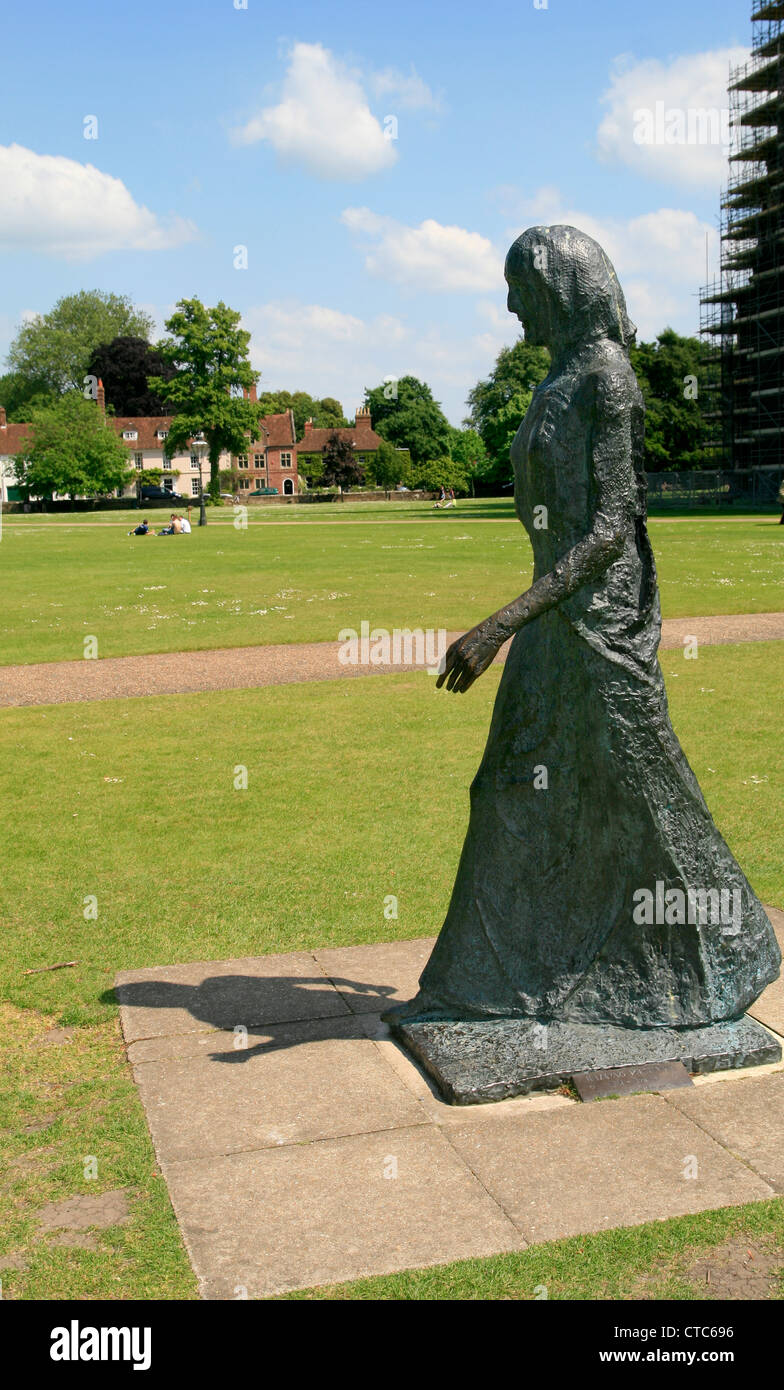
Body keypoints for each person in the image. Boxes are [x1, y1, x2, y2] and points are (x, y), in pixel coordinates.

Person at [386, 223, 780, 1031]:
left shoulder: (607, 378)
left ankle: (726, 954)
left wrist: (498, 625)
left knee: (644, 796)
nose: (511, 309)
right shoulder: (553, 382)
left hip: (599, 622)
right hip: (556, 616)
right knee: (509, 790)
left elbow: (610, 530)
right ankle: (496, 982)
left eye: (521, 293)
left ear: (562, 290)